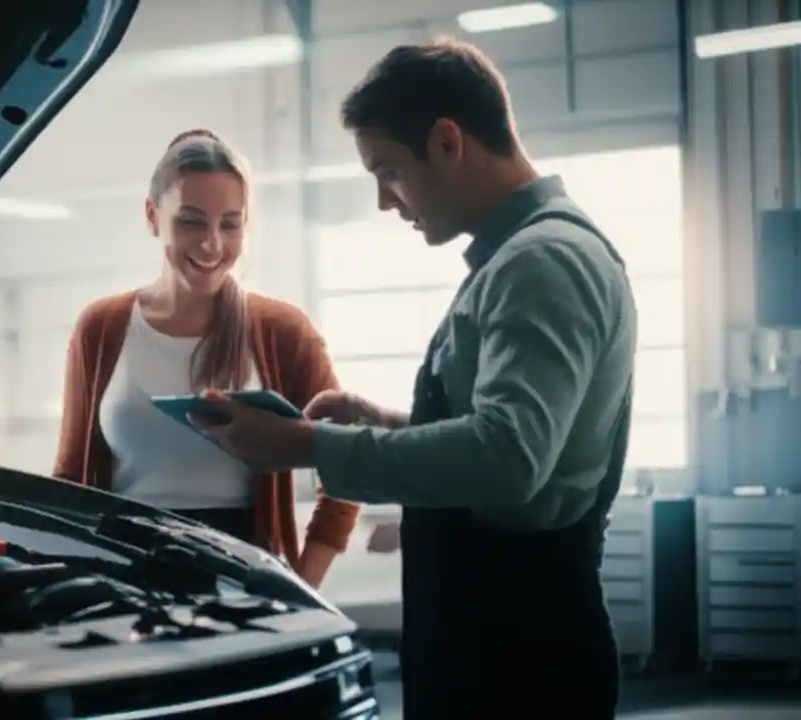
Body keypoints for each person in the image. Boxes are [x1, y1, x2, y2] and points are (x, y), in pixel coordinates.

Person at [189, 38, 637, 718]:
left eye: (389, 171)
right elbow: (521, 435)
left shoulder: (541, 262)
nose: (384, 201)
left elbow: (509, 460)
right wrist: (385, 423)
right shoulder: (525, 258)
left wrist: (307, 447)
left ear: (447, 141)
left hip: (518, 659)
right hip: (498, 638)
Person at [53, 128, 359, 588]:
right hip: (124, 571)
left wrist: (301, 584)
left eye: (230, 224)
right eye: (192, 221)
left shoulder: (282, 330)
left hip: (242, 576)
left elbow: (348, 465)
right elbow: (69, 480)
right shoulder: (102, 325)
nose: (212, 244)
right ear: (153, 216)